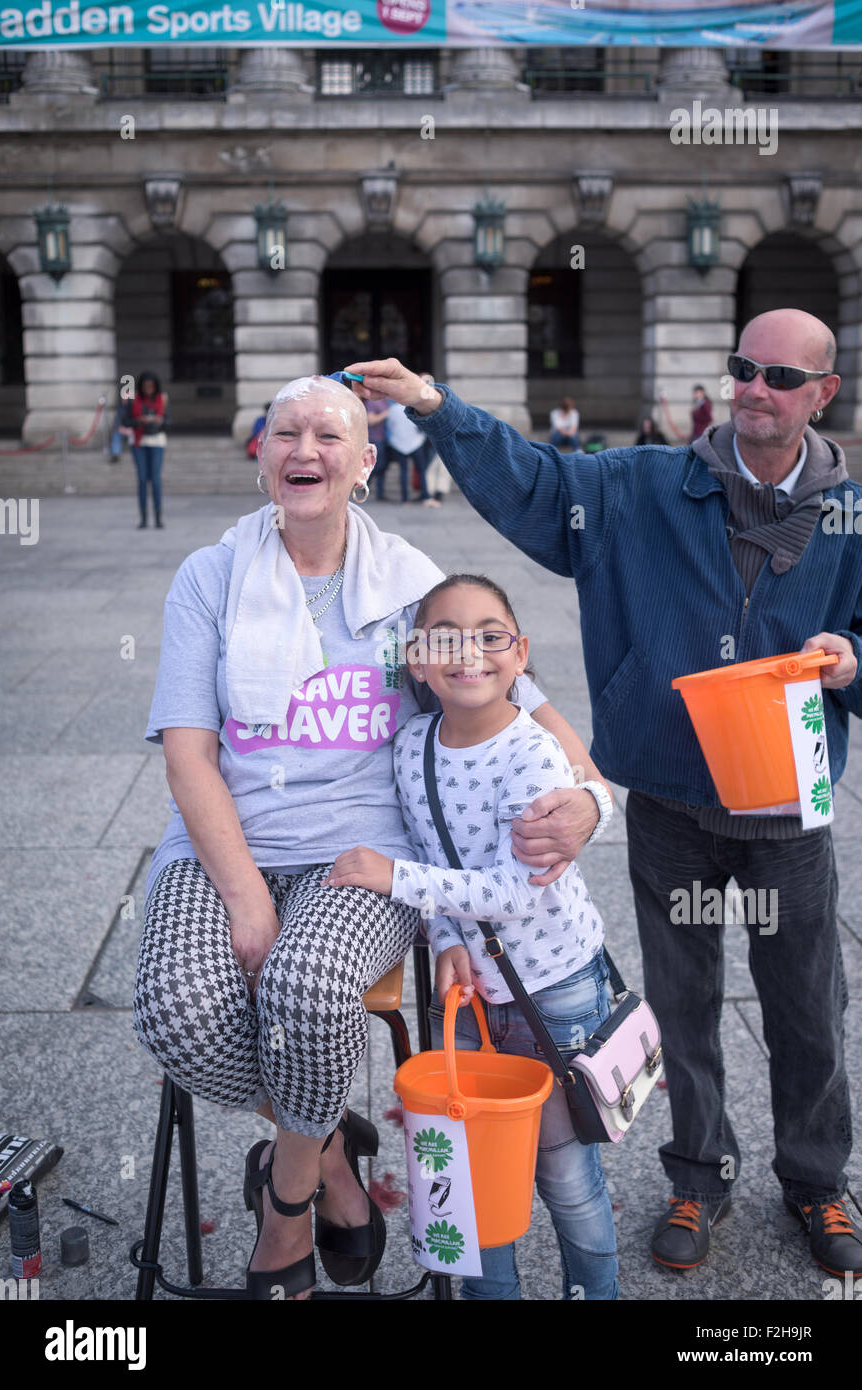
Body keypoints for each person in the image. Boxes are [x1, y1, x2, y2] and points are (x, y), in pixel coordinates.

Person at [345, 309, 862, 1280]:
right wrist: (437, 409)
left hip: (790, 815)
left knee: (806, 1008)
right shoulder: (639, 486)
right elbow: (536, 484)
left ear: (823, 393)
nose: (755, 388)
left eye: (780, 377)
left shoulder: (851, 514)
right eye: (742, 367)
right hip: (670, 799)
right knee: (683, 1001)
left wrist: (851, 657)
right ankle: (697, 1173)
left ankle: (815, 1178)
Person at [133, 373, 602, 1301]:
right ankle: (333, 1164)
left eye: (326, 437)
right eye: (284, 434)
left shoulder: (411, 585)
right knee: (177, 1010)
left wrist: (589, 798)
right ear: (261, 455)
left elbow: (528, 697)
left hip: (362, 851)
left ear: (364, 463)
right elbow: (188, 754)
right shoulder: (210, 575)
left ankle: (284, 1212)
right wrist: (244, 894)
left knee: (309, 989)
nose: (304, 450)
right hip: (224, 841)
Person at [325, 573, 618, 1301]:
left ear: (519, 656)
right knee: (469, 1167)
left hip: (551, 989)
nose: (470, 653)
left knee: (560, 1168)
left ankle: (594, 1291)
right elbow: (438, 857)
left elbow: (517, 889)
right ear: (416, 663)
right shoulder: (411, 745)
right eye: (445, 638)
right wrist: (446, 932)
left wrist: (389, 878)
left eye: (490, 636)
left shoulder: (532, 756)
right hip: (471, 1000)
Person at [130, 371, 168, 529]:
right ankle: (144, 518)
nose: (148, 389)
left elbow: (169, 420)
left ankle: (158, 517)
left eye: (151, 386)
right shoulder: (134, 400)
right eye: (145, 386)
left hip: (157, 441)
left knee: (156, 479)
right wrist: (140, 421)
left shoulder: (162, 399)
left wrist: (158, 421)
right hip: (139, 441)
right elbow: (126, 420)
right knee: (142, 479)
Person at [416, 372, 452, 507]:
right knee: (428, 467)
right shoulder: (418, 397)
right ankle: (428, 493)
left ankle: (437, 494)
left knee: (440, 467)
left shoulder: (439, 396)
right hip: (425, 438)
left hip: (440, 437)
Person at [385, 397, 428, 503]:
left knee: (403, 471)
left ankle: (405, 499)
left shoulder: (392, 409)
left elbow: (390, 426)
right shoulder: (414, 407)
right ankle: (425, 496)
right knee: (421, 471)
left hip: (398, 443)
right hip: (416, 442)